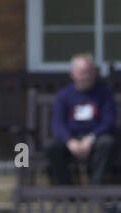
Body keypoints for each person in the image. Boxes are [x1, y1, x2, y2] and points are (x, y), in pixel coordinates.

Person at [45, 54, 116, 185]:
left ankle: (96, 191)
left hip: (95, 139)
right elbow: (57, 124)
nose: (86, 76)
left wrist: (91, 138)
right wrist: (70, 141)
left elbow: (109, 121)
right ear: (73, 74)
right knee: (51, 146)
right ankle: (65, 191)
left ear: (94, 73)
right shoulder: (63, 95)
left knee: (107, 143)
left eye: (89, 72)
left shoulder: (104, 94)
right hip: (71, 140)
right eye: (82, 73)